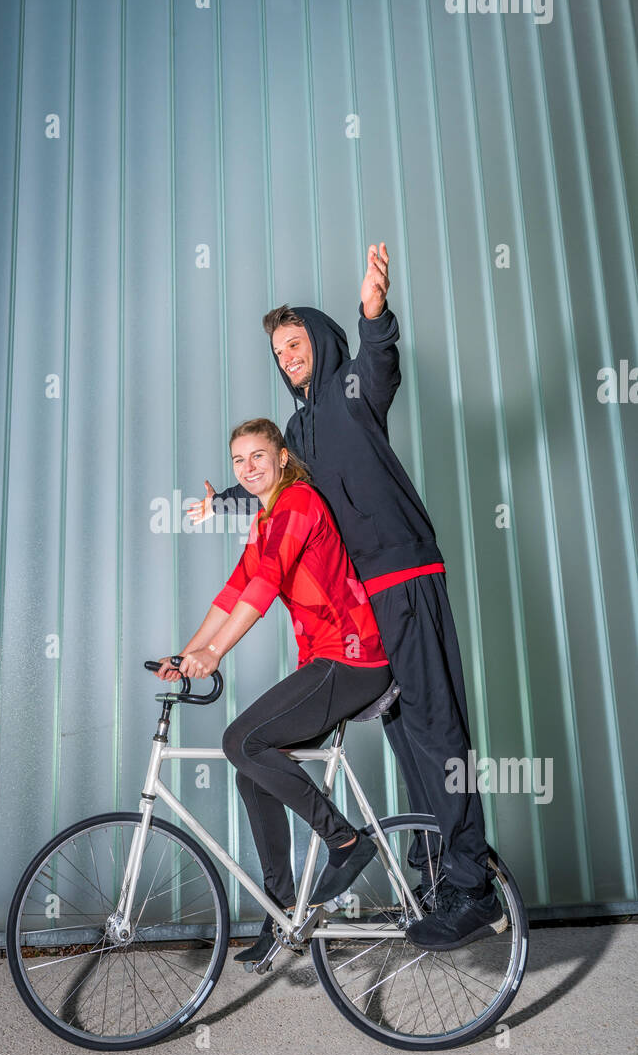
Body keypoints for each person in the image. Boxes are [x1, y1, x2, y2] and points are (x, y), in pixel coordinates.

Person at [186, 245, 501, 951]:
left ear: (320, 344)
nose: (288, 357)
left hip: (405, 580)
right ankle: (434, 873)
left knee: (437, 730)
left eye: (296, 343)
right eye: (278, 351)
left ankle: (471, 884)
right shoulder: (297, 431)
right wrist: (228, 502)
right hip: (369, 603)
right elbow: (288, 489)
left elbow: (378, 362)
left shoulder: (351, 393)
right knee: (406, 738)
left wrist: (372, 311)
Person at [158, 418, 395, 965]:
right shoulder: (265, 519)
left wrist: (214, 655)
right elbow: (234, 590)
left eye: (258, 456)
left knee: (241, 741)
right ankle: (282, 907)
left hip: (353, 657)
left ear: (282, 457)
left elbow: (263, 590)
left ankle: (345, 840)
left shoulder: (300, 502)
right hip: (327, 660)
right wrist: (186, 651)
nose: (249, 468)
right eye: (239, 461)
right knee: (252, 770)